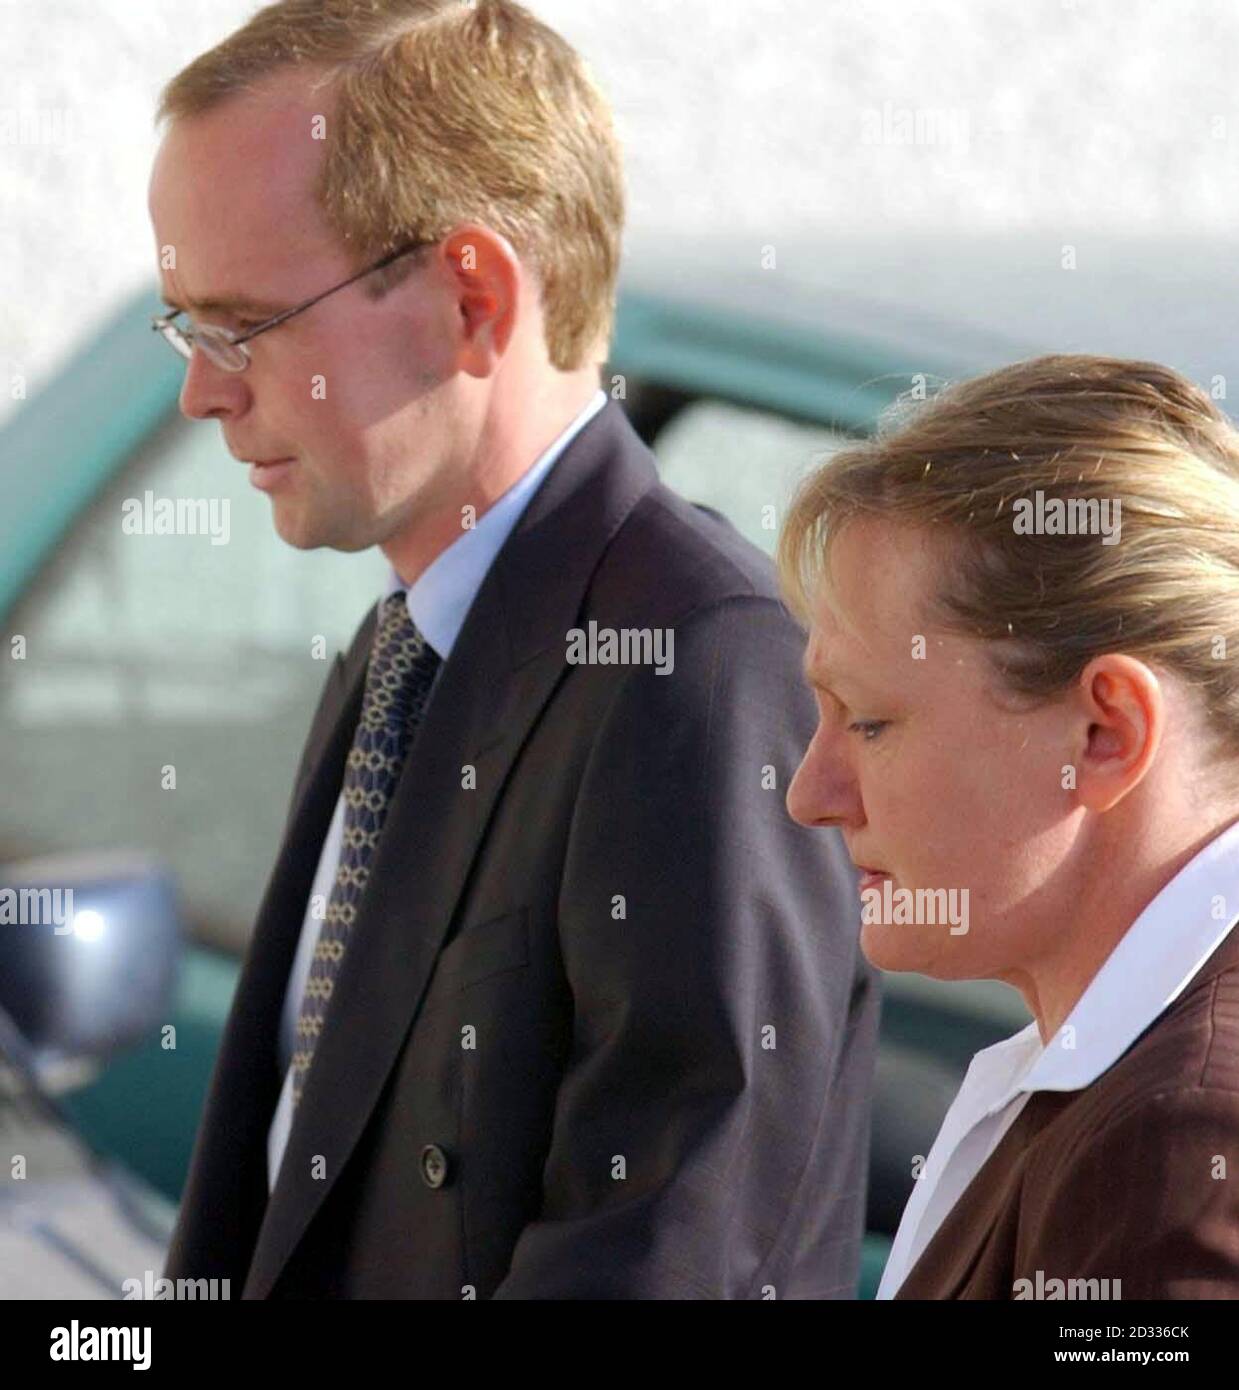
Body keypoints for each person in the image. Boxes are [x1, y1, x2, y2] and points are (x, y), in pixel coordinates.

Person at [150, 0, 879, 1299]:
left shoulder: (689, 669)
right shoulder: (402, 650)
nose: (202, 389)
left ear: (470, 299)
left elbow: (673, 1263)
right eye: (183, 327)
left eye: (242, 324)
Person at [779, 353, 1239, 1299]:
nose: (810, 793)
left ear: (1105, 732)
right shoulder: (1120, 1074)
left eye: (868, 720)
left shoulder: (1180, 1138)